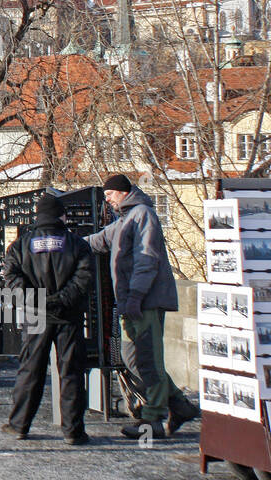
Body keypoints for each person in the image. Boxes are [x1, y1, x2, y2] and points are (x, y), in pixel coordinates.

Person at [85, 175, 199, 439]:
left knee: (147, 358)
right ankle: (179, 406)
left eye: (110, 194)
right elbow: (99, 241)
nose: (108, 200)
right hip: (131, 302)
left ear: (124, 192)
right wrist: (62, 242)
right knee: (132, 357)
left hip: (145, 301)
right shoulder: (125, 219)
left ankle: (153, 419)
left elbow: (148, 259)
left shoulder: (142, 214)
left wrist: (135, 297)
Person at [1, 194, 94, 444]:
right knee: (71, 372)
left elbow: (10, 277)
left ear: (38, 216)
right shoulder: (78, 245)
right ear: (61, 216)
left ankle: (19, 424)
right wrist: (60, 299)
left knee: (30, 371)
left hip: (36, 317)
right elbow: (83, 280)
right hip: (69, 316)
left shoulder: (20, 245)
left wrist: (36, 300)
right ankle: (73, 430)